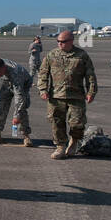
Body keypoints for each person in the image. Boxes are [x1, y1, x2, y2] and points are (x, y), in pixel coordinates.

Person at [37, 30, 97, 159]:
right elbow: (43, 73)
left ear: (71, 41)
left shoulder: (81, 55)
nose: (60, 44)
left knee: (77, 123)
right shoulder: (51, 55)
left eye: (63, 42)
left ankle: (74, 141)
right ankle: (60, 147)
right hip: (56, 96)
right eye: (58, 41)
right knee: (56, 122)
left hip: (76, 96)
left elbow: (90, 75)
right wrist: (43, 89)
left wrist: (91, 92)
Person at [0, 58, 34, 146]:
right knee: (1, 105)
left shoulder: (16, 73)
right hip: (7, 82)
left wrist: (16, 116)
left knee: (22, 110)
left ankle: (26, 136)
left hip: (23, 85)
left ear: (4, 67)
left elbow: (19, 97)